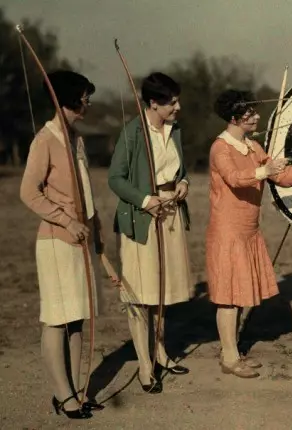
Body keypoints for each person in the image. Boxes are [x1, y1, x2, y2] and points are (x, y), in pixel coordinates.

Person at [206, 89, 292, 378]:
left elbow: (282, 177)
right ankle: (229, 358)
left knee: (239, 293)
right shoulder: (221, 148)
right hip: (228, 231)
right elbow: (235, 178)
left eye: (256, 111)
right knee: (228, 297)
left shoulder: (252, 147)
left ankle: (232, 351)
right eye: (250, 112)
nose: (257, 116)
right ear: (234, 116)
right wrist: (264, 170)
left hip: (248, 230)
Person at [20, 70, 105, 419]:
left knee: (76, 319)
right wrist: (67, 220)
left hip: (80, 241)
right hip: (56, 241)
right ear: (70, 97)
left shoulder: (75, 137)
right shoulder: (46, 139)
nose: (88, 100)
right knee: (57, 320)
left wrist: (93, 231)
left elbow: (85, 192)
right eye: (84, 94)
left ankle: (77, 390)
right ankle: (62, 394)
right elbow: (28, 193)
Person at [108, 72, 193, 394]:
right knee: (141, 293)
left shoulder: (175, 130)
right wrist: (145, 200)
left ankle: (160, 353)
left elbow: (180, 170)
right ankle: (145, 366)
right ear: (154, 103)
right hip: (142, 221)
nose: (178, 107)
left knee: (162, 291)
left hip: (170, 217)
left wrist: (184, 184)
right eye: (172, 102)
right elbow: (115, 178)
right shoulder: (132, 132)